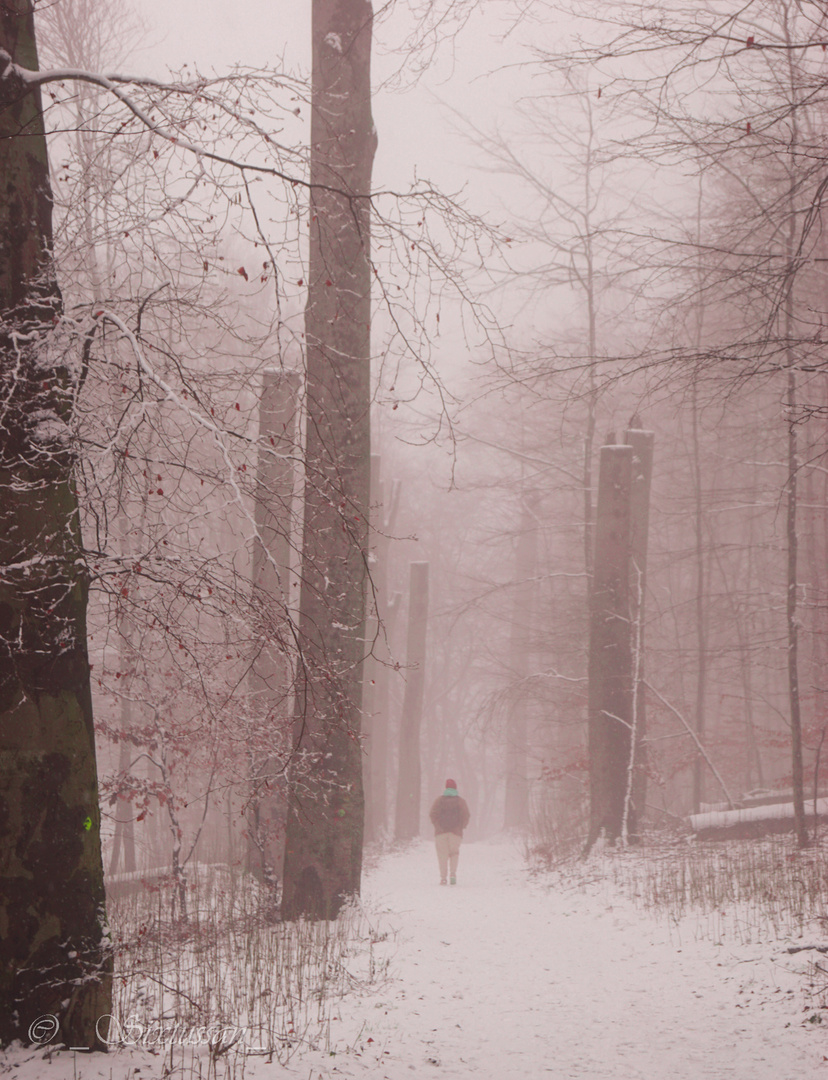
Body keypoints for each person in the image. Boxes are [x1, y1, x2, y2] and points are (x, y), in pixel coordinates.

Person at [428, 778, 470, 885]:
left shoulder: (439, 800)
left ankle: (443, 878)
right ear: (455, 788)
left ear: (446, 788)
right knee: (454, 853)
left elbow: (432, 814)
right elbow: (466, 815)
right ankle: (453, 873)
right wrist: (461, 826)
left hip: (441, 833)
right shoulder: (460, 801)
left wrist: (437, 826)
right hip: (456, 833)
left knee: (442, 855)